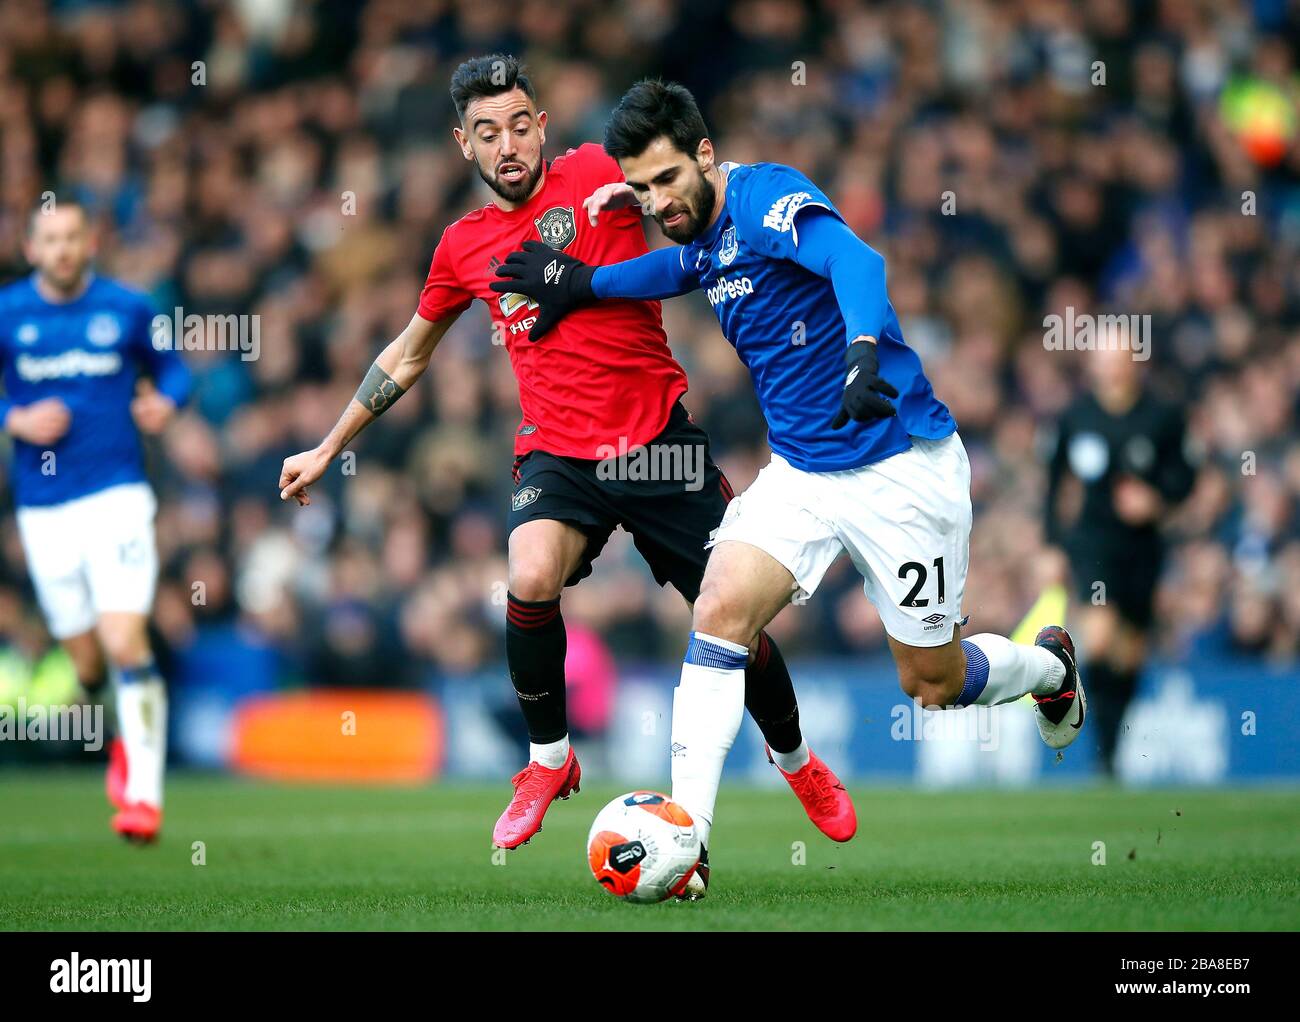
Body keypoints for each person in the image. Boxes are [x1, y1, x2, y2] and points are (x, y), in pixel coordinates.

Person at [491, 79, 1086, 896]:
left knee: (933, 681)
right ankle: (686, 838)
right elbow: (672, 269)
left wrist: (864, 348)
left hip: (899, 467)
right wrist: (582, 284)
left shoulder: (764, 195)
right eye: (640, 188)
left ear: (705, 155)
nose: (657, 201)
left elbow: (855, 257)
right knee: (718, 610)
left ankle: (1049, 669)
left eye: (667, 180)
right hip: (804, 473)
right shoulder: (697, 238)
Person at [277, 56, 855, 864]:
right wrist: (329, 445)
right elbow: (409, 356)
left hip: (656, 443)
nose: (507, 143)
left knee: (733, 618)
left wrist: (655, 203)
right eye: (487, 132)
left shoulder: (597, 170)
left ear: (542, 126)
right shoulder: (461, 247)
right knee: (528, 573)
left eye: (519, 125)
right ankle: (548, 760)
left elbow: (683, 194)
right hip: (557, 454)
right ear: (463, 145)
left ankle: (797, 763)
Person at [0, 201, 191, 842]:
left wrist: (165, 400)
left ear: (90, 244)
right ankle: (116, 732)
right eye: (49, 239)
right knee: (85, 662)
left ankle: (144, 796)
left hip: (118, 495)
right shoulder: (8, 313)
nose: (60, 249)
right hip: (43, 507)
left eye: (71, 238)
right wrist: (16, 421)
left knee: (124, 642)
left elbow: (173, 366)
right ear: (31, 248)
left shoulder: (127, 307)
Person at [1045, 341, 1194, 776]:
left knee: (1130, 651)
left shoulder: (1163, 416)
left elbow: (1185, 475)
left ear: (1134, 362)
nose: (1110, 367)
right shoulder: (1075, 417)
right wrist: (1053, 544)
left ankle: (1110, 749)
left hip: (1142, 546)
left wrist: (1157, 498)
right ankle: (1098, 742)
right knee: (1102, 635)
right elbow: (1055, 487)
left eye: (1118, 358)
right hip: (1093, 542)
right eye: (1102, 358)